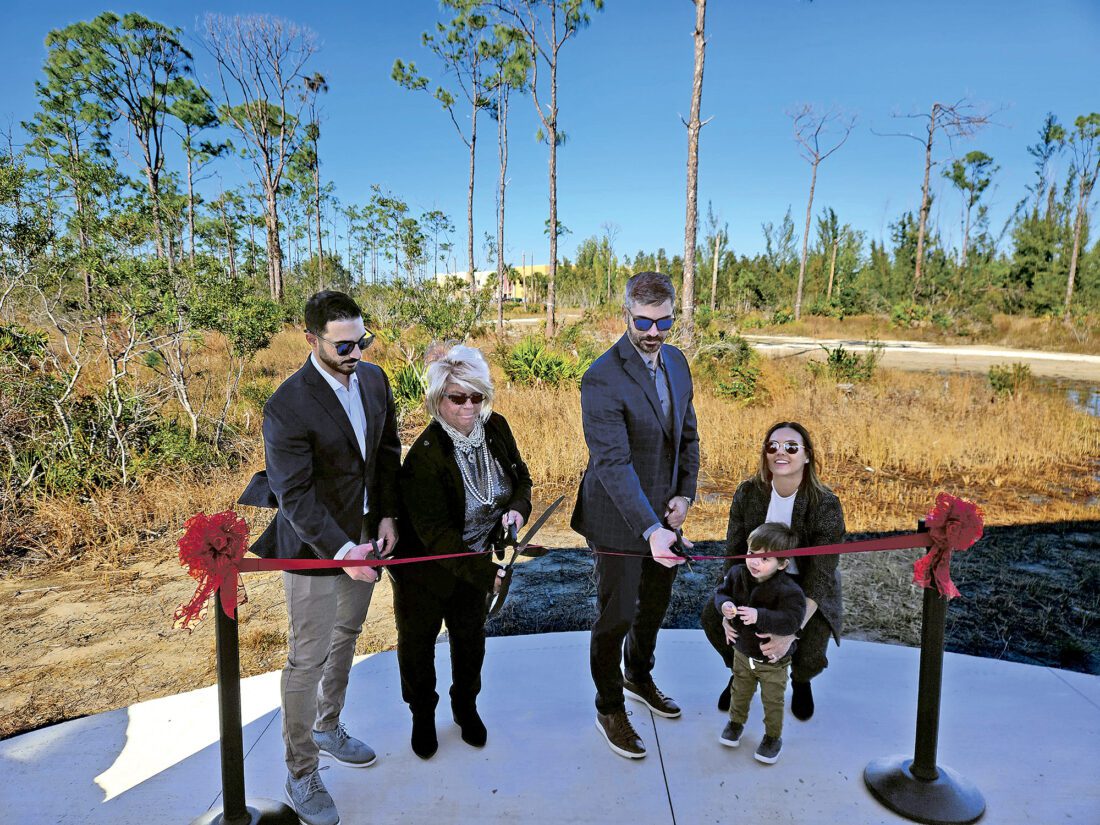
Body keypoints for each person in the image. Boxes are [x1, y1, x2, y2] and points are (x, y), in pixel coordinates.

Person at [240, 290, 400, 825]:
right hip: (315, 544)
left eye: (363, 340)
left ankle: (329, 727)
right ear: (312, 339)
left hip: (365, 535)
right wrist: (341, 549)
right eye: (343, 344)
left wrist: (385, 516)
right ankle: (300, 769)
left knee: (347, 636)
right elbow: (294, 493)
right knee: (307, 656)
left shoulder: (375, 380)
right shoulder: (287, 403)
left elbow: (385, 453)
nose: (356, 351)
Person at [571, 271, 700, 760]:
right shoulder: (601, 377)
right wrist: (649, 528)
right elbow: (612, 463)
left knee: (654, 607)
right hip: (617, 519)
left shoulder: (678, 362)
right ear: (625, 314)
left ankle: (638, 676)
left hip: (667, 517)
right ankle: (609, 707)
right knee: (617, 614)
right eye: (643, 321)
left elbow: (687, 434)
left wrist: (684, 496)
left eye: (663, 320)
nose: (653, 332)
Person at [393, 345, 532, 759]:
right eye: (458, 398)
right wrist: (487, 574)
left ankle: (465, 707)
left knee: (470, 640)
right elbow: (437, 538)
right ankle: (422, 715)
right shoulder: (424, 458)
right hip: (425, 570)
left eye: (477, 396)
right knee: (418, 645)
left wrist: (516, 512)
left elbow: (521, 479)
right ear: (438, 400)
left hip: (474, 560)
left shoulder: (497, 428)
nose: (469, 405)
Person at [700, 421, 845, 723]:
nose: (781, 452)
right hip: (755, 578)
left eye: (791, 447)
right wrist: (728, 607)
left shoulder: (825, 504)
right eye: (773, 446)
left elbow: (821, 574)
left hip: (804, 584)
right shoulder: (749, 493)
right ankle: (742, 670)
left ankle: (801, 680)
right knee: (713, 620)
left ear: (807, 456)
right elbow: (735, 553)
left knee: (811, 645)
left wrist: (791, 631)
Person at [714, 522, 806, 764]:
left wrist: (760, 616)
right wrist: (724, 606)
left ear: (783, 564)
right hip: (743, 653)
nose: (755, 562)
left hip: (772, 662)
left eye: (765, 559)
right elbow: (722, 593)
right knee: (739, 692)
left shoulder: (788, 590)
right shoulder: (737, 574)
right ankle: (735, 723)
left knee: (773, 700)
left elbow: (792, 620)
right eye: (752, 554)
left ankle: (772, 737)